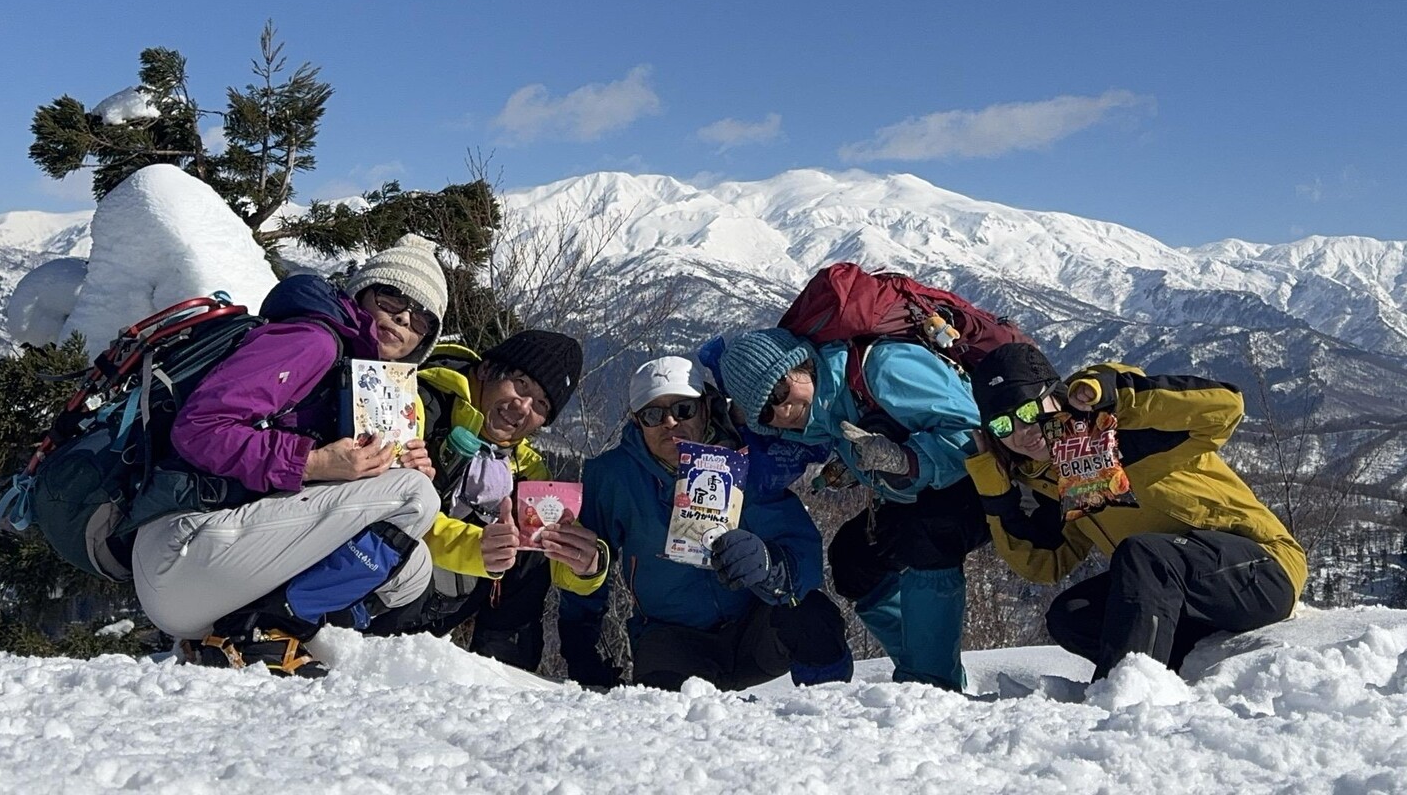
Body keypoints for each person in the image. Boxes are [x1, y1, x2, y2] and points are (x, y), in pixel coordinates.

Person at [131, 233, 453, 677]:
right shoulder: (312, 341)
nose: (402, 315)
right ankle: (264, 632)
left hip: (222, 564)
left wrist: (386, 470)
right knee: (413, 495)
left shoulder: (363, 388)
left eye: (420, 318)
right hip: (180, 548)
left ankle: (256, 635)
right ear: (362, 293)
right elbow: (200, 429)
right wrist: (316, 463)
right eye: (392, 295)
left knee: (411, 567)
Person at [966, 342, 1306, 681]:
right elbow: (1044, 563)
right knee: (1071, 616)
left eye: (1027, 413)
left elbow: (1227, 407)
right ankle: (1171, 675)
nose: (1021, 432)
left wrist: (1118, 397)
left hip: (1263, 569)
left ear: (1055, 396)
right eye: (1002, 425)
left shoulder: (1123, 431)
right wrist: (995, 489)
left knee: (1145, 553)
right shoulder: (1046, 480)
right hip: (1187, 600)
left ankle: (1126, 695)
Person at [558, 356, 853, 691]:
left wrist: (769, 566)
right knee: (667, 716)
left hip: (753, 627)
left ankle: (828, 713)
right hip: (672, 639)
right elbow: (588, 559)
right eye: (653, 415)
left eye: (683, 409)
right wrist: (581, 649)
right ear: (637, 423)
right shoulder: (615, 477)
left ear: (705, 409)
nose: (670, 422)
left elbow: (801, 550)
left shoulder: (746, 462)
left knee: (812, 614)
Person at [719, 327, 987, 691]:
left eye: (780, 390)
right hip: (931, 490)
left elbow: (973, 433)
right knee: (852, 559)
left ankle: (932, 684)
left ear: (803, 363)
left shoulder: (885, 368)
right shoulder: (823, 412)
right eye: (765, 412)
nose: (781, 409)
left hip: (995, 479)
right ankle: (918, 670)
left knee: (924, 535)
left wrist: (908, 461)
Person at [369, 329, 609, 672]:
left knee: (531, 541)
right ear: (485, 370)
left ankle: (503, 673)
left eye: (541, 404)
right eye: (520, 384)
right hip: (382, 590)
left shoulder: (524, 467)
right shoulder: (420, 405)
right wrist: (474, 547)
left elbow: (556, 560)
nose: (521, 408)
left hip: (442, 602)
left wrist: (589, 565)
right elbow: (385, 509)